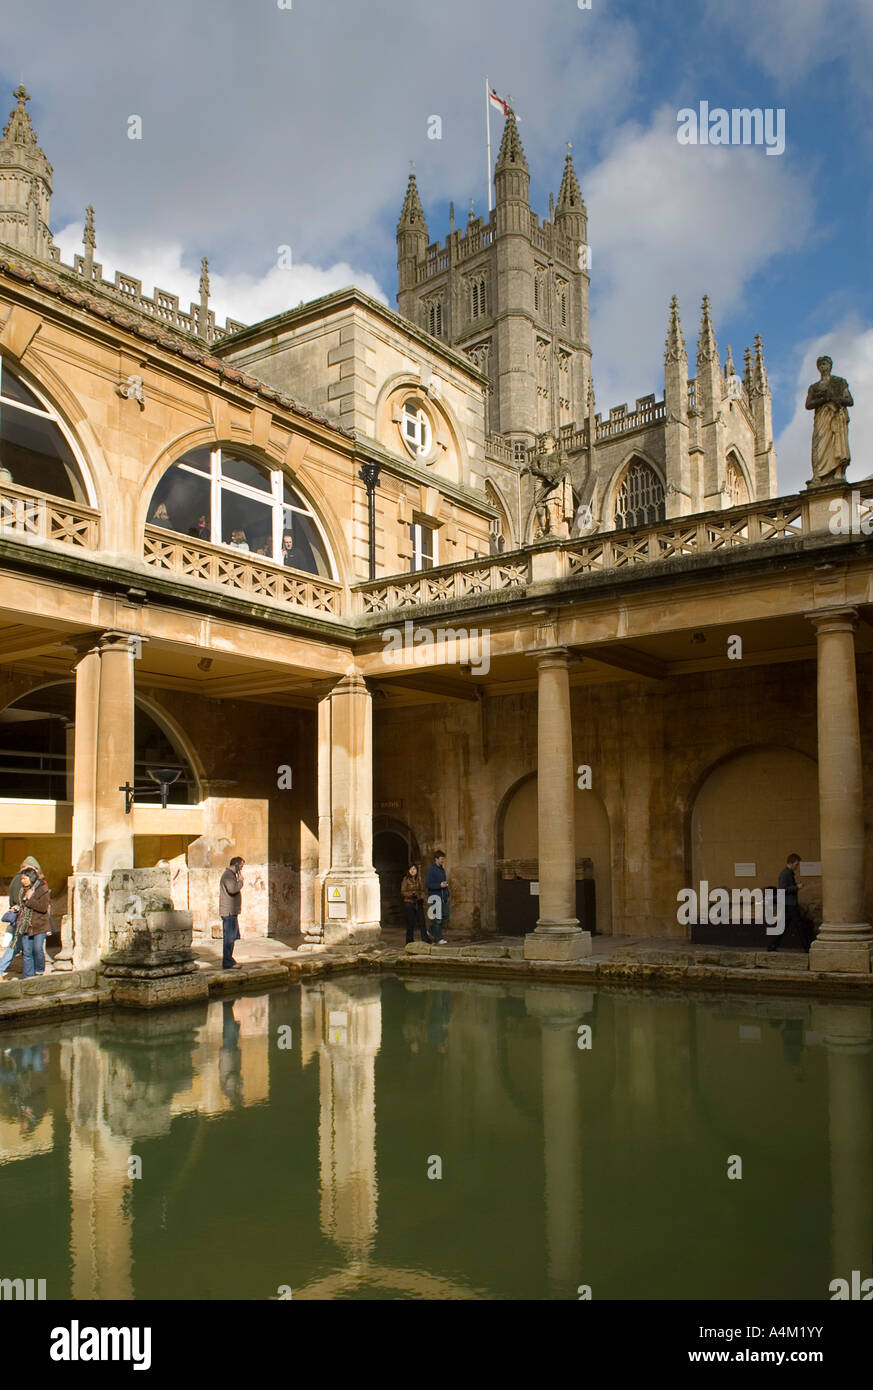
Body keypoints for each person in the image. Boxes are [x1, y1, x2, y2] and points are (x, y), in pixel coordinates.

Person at [0, 855, 43, 976]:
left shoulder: (16, 878)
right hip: (22, 918)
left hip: (18, 916)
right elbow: (21, 899)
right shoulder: (24, 880)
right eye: (35, 869)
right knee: (15, 946)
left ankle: (28, 970)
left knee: (20, 946)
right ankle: (1, 968)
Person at [769, 852, 811, 952]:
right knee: (800, 926)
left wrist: (795, 886)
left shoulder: (787, 873)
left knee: (784, 927)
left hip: (787, 904)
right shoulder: (786, 873)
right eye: (796, 864)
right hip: (790, 904)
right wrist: (796, 887)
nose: (797, 867)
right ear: (791, 863)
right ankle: (807, 947)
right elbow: (782, 889)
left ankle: (772, 946)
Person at [219, 856, 245, 969]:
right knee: (229, 938)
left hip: (232, 912)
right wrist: (240, 882)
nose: (242, 869)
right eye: (241, 866)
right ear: (236, 865)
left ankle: (229, 960)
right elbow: (232, 889)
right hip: (228, 912)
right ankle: (227, 962)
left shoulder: (230, 875)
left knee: (232, 937)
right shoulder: (227, 876)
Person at [400, 864, 430, 944]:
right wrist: (411, 894)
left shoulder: (419, 879)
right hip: (409, 903)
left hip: (418, 902)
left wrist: (420, 896)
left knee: (422, 922)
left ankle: (425, 939)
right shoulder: (405, 880)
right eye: (411, 869)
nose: (413, 871)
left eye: (414, 869)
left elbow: (422, 890)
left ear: (417, 871)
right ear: (408, 871)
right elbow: (403, 892)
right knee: (410, 923)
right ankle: (409, 940)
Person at [425, 851, 450, 944]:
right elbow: (428, 884)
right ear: (436, 859)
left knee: (446, 916)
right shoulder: (431, 870)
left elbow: (444, 883)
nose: (443, 860)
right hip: (435, 897)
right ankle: (438, 938)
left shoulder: (442, 869)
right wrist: (439, 885)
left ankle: (431, 930)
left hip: (443, 897)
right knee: (438, 918)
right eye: (442, 859)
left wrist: (447, 893)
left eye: (444, 859)